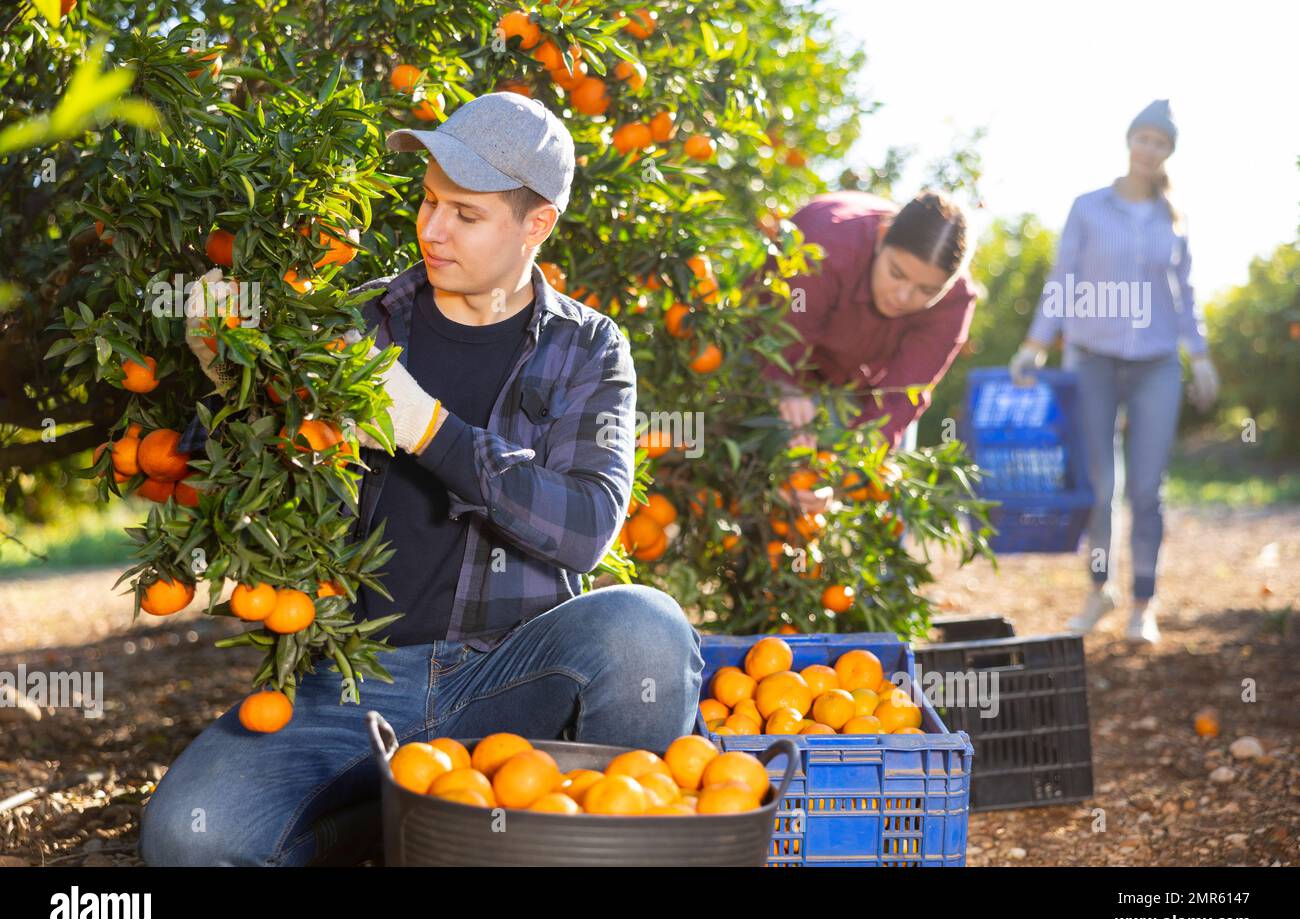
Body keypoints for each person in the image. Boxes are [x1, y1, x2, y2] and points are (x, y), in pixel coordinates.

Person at [140, 92, 704, 866]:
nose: (432, 229)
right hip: (350, 683)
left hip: (507, 676)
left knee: (646, 629)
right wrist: (223, 382)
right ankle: (402, 818)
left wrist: (433, 433)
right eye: (429, 200)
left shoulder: (587, 349)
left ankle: (606, 849)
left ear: (535, 225)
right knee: (185, 837)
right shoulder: (354, 324)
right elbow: (241, 488)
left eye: (466, 215)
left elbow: (586, 525)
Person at [1008, 99, 1219, 644]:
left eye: (1161, 142)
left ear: (1169, 152)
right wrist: (1035, 343)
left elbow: (1186, 296)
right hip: (1092, 359)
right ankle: (1099, 588)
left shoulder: (1176, 218)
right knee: (1101, 489)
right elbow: (1063, 278)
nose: (1150, 149)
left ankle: (1142, 603)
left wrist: (1199, 355)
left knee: (1147, 490)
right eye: (1143, 138)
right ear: (1130, 142)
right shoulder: (1088, 208)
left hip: (1155, 364)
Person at [757, 189, 976, 516]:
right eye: (896, 274)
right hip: (773, 353)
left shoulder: (954, 303)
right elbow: (779, 338)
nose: (903, 296)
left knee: (885, 489)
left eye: (927, 291)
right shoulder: (824, 243)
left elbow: (901, 398)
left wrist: (845, 477)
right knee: (757, 478)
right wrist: (786, 389)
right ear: (882, 238)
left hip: (858, 385)